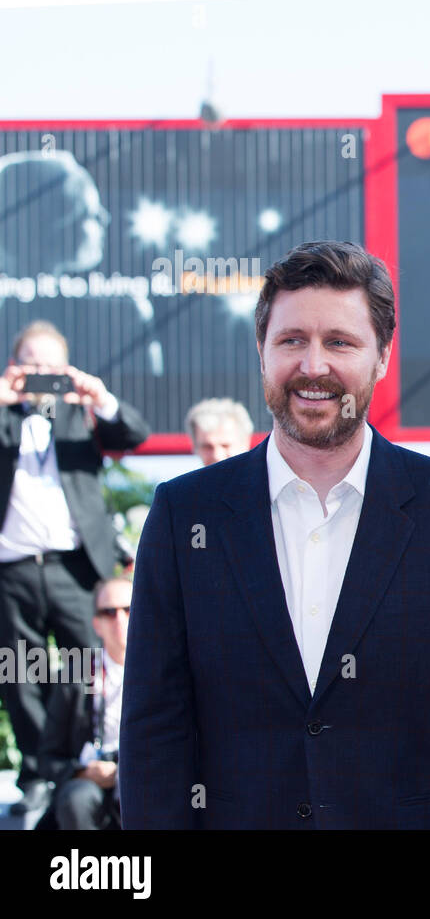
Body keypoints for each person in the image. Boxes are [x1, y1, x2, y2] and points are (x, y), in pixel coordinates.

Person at [120, 240, 430, 829]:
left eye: (340, 342)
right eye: (291, 341)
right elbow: (153, 731)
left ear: (382, 355)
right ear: (261, 350)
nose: (313, 366)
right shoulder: (185, 515)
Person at [0, 320, 150, 816]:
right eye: (30, 362)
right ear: (13, 365)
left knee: (94, 665)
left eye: (49, 365)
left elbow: (133, 432)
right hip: (13, 568)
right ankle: (42, 774)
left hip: (75, 566)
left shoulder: (78, 416)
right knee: (19, 675)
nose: (40, 373)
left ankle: (107, 766)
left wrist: (97, 397)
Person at [38, 574, 134, 830]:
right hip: (92, 786)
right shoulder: (76, 676)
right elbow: (48, 758)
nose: (119, 620)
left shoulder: (165, 670)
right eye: (109, 612)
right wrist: (82, 772)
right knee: (76, 798)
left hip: (145, 776)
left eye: (128, 609)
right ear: (96, 624)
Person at [186, 397, 254, 466]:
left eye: (225, 446)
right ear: (195, 447)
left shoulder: (264, 475)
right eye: (207, 447)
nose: (217, 456)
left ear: (245, 442)